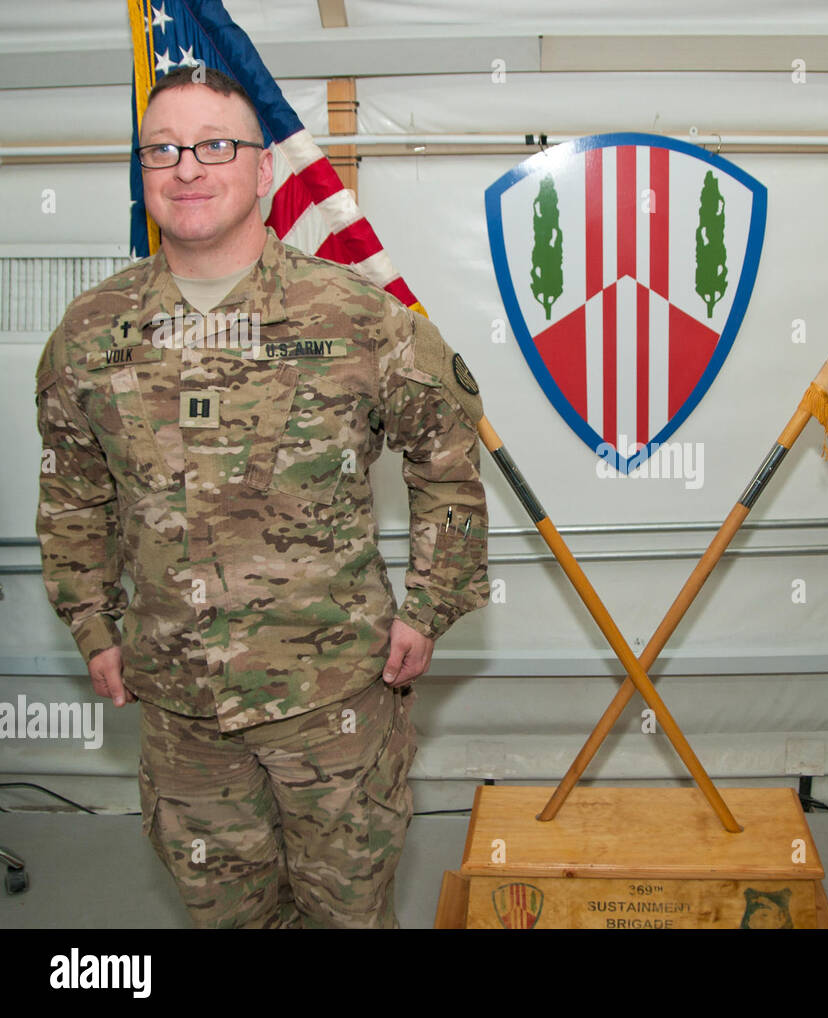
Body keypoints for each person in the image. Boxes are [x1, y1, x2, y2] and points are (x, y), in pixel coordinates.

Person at [34, 66, 488, 928]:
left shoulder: (358, 319)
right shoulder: (92, 336)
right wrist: (91, 623)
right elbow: (72, 496)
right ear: (143, 172)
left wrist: (430, 608)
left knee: (349, 915)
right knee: (225, 918)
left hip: (334, 704)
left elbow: (448, 464)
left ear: (264, 172)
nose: (188, 168)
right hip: (179, 710)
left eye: (215, 145)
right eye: (162, 149)